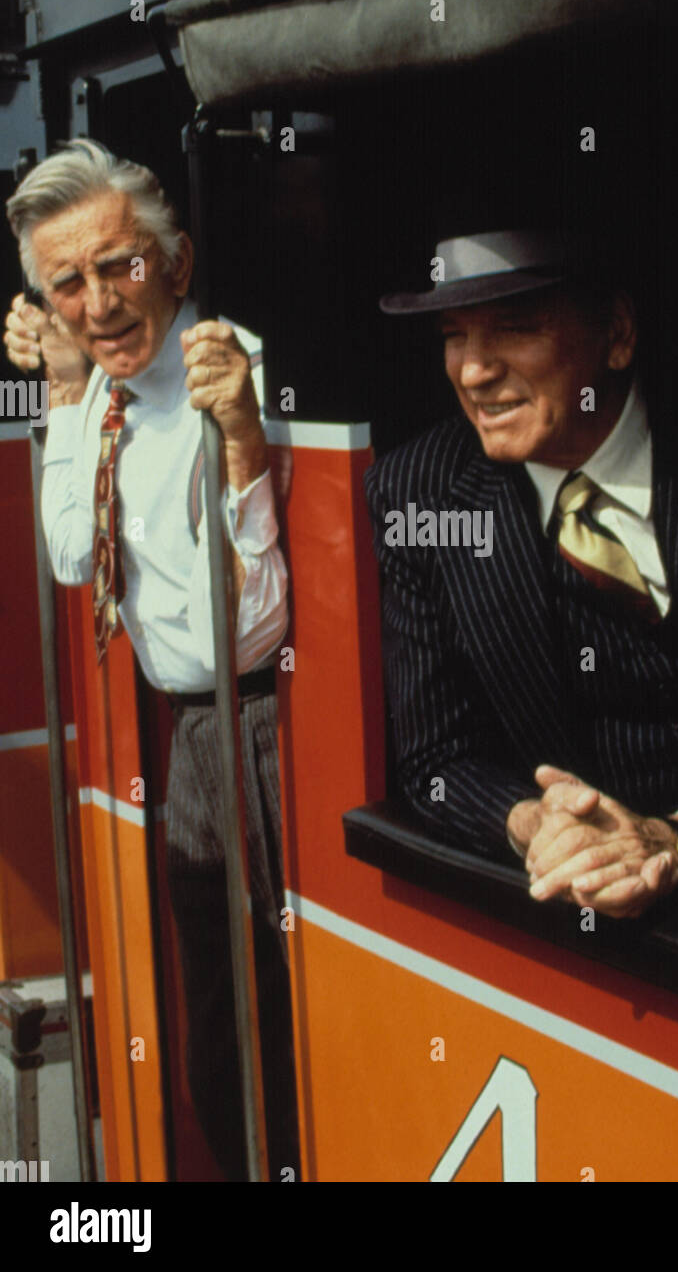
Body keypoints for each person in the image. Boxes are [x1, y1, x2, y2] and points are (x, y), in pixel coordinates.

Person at [4, 139, 297, 1180]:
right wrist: (69, 388)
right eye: (66, 284)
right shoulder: (101, 386)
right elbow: (75, 555)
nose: (98, 301)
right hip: (192, 737)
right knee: (218, 1046)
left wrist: (247, 440)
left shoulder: (239, 371)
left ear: (173, 262)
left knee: (290, 1037)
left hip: (276, 721)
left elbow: (251, 633)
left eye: (119, 266)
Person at [365, 228, 678, 921]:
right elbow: (437, 758)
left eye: (515, 328)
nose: (472, 372)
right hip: (571, 930)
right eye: (453, 335)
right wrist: (536, 822)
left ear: (616, 333)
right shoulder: (418, 493)